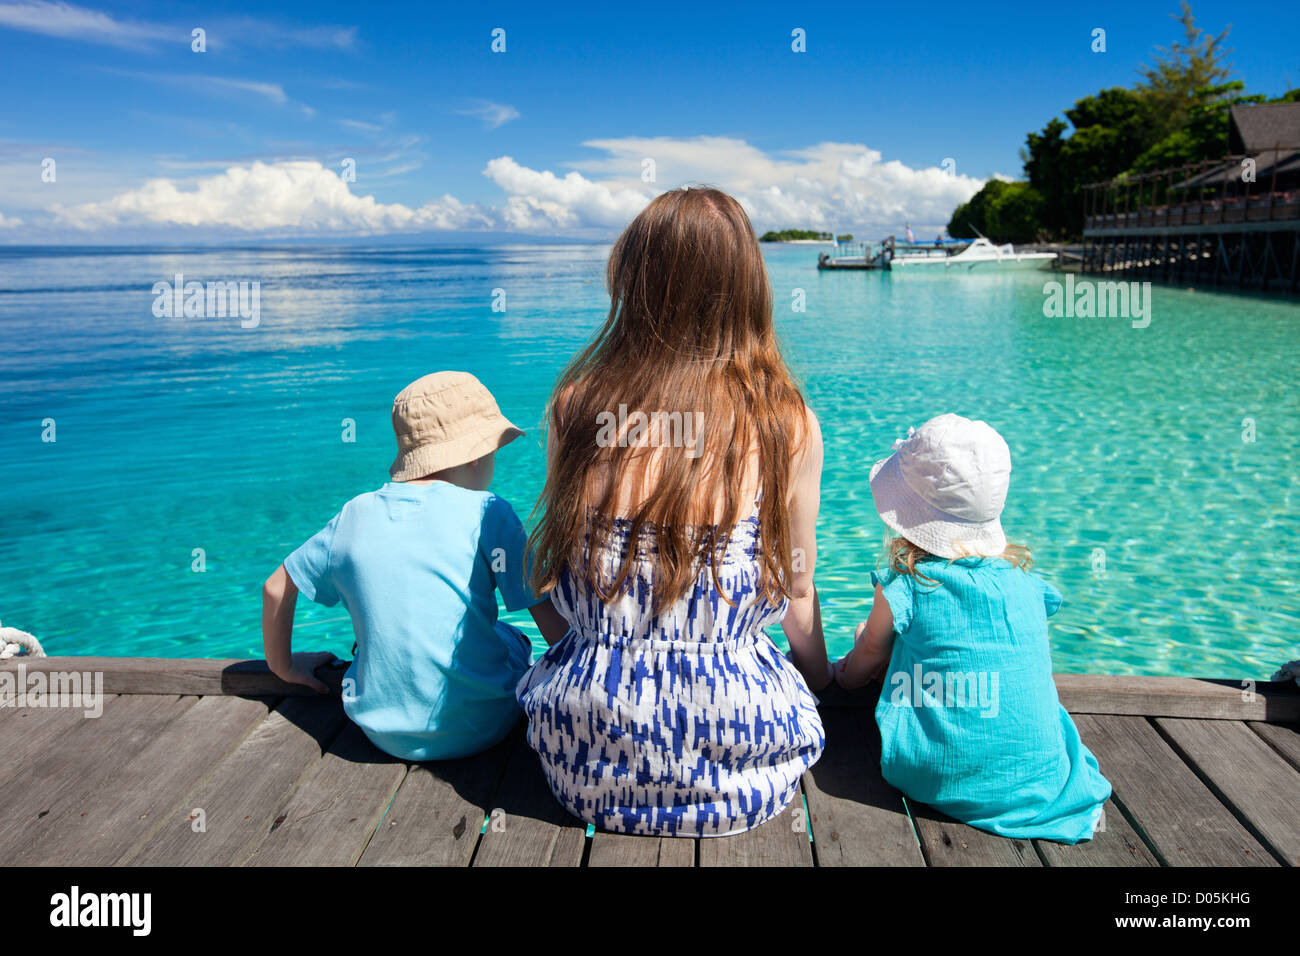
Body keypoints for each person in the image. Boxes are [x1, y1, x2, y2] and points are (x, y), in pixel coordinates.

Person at [517, 186, 829, 837]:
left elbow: (553, 576)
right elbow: (798, 587)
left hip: (585, 765)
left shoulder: (576, 409)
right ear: (749, 285)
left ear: (632, 277)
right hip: (743, 772)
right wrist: (825, 681)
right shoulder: (787, 423)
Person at [261, 371, 569, 761]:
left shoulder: (354, 513)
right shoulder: (489, 511)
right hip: (484, 726)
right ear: (477, 453)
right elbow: (552, 625)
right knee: (514, 638)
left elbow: (275, 587)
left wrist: (284, 666)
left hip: (379, 732)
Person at [834, 414, 1111, 843]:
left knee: (873, 638)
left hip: (932, 774)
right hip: (1038, 774)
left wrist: (845, 676)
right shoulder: (1028, 586)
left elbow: (867, 656)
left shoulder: (906, 586)